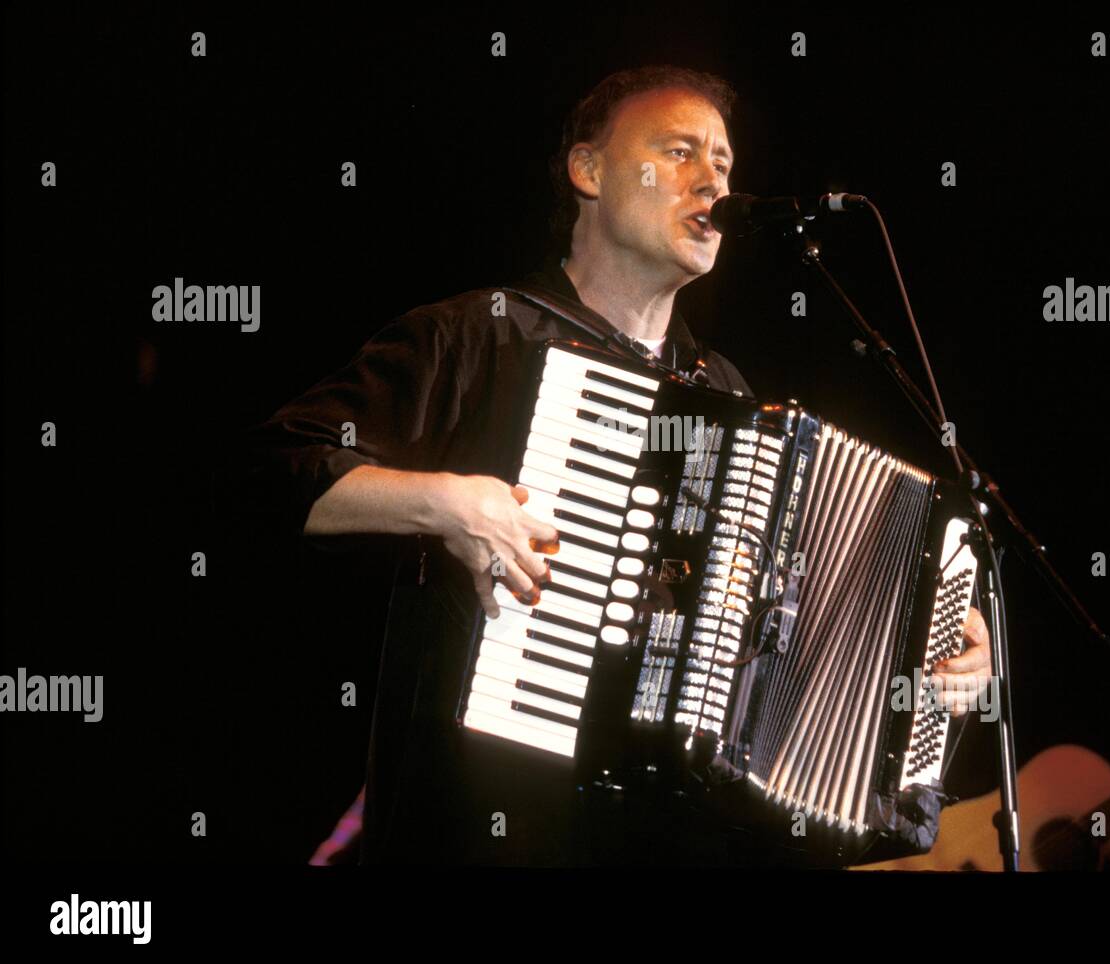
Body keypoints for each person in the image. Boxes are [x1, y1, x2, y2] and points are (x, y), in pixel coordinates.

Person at [242, 64, 992, 865]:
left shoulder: (725, 396)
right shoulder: (476, 336)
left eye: (725, 164)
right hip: (475, 834)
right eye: (679, 151)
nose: (712, 178)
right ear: (587, 170)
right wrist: (446, 504)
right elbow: (270, 471)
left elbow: (793, 628)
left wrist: (924, 655)